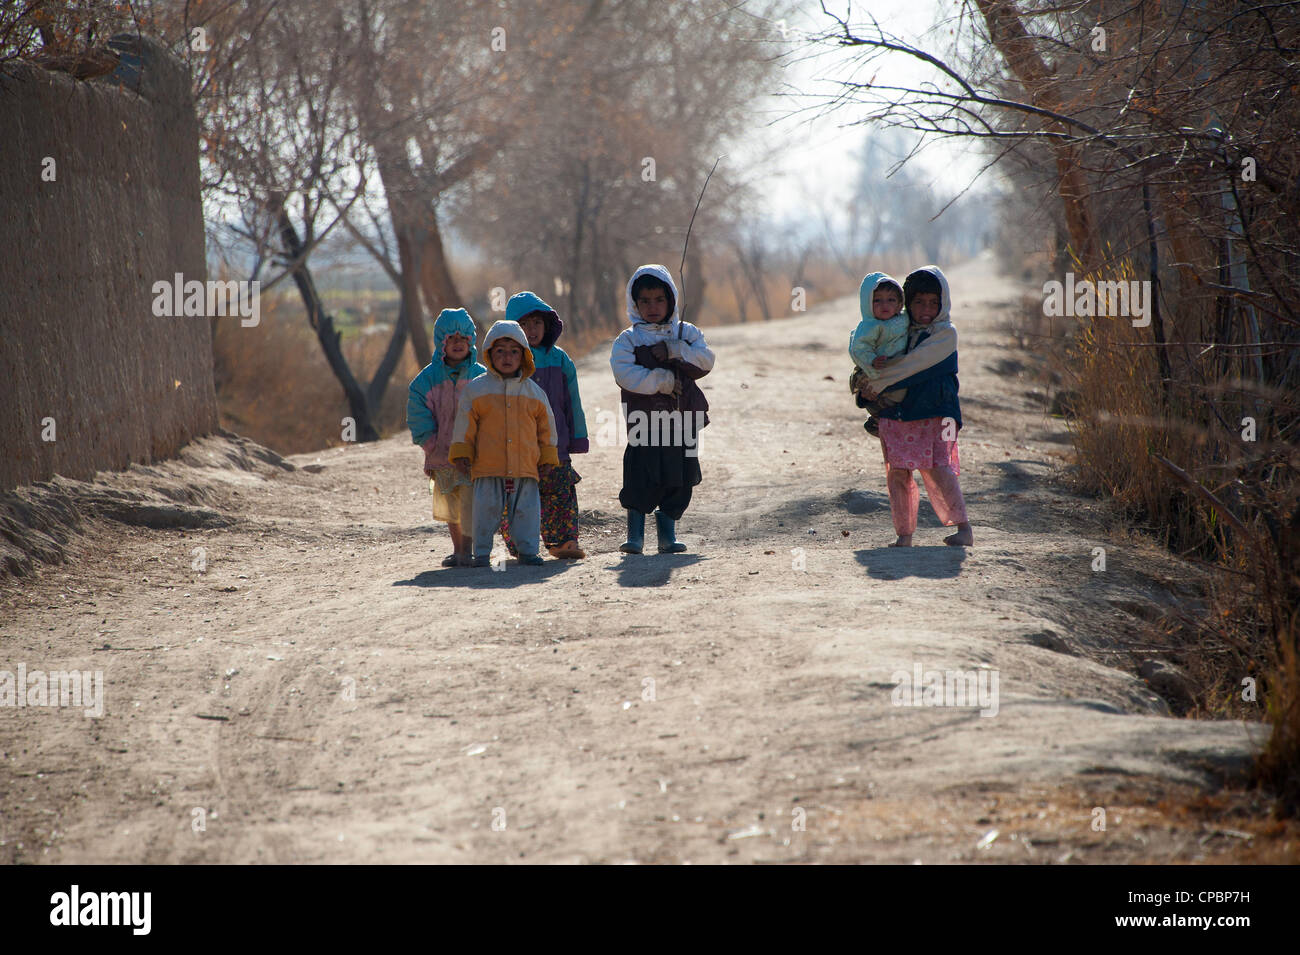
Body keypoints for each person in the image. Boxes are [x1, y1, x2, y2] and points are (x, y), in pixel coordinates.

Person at [858, 265, 974, 547]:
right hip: (898, 414)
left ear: (943, 303)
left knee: (938, 469)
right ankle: (904, 534)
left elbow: (910, 367)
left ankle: (963, 529)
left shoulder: (946, 335)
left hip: (934, 413)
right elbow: (868, 361)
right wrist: (865, 386)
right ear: (907, 304)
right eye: (918, 302)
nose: (926, 309)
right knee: (897, 471)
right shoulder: (898, 331)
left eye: (934, 302)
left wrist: (876, 384)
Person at [610, 264, 715, 554]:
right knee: (640, 474)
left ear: (671, 300)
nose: (652, 306)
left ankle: (667, 532)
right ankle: (635, 535)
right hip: (646, 421)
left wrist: (675, 350)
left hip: (684, 422)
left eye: (659, 299)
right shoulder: (628, 339)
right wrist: (662, 381)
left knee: (682, 476)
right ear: (635, 303)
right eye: (644, 301)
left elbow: (706, 361)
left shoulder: (686, 333)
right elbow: (625, 375)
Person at [449, 321, 559, 567]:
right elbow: (464, 424)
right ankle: (482, 553)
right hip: (488, 466)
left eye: (514, 351)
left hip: (526, 467)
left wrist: (548, 456)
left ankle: (528, 551)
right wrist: (462, 452)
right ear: (488, 353)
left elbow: (547, 428)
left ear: (524, 356)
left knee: (527, 512)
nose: (507, 356)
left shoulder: (534, 393)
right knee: (485, 513)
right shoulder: (476, 390)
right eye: (500, 351)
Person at [498, 291, 589, 560]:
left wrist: (578, 437)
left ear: (547, 324)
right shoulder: (507, 361)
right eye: (523, 325)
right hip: (518, 448)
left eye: (537, 323)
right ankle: (520, 543)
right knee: (515, 496)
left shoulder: (560, 359)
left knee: (560, 494)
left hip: (556, 445)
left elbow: (572, 401)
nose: (532, 330)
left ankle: (564, 541)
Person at [406, 308, 486, 568]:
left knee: (471, 504)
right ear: (441, 342)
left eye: (463, 339)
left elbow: (492, 411)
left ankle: (471, 549)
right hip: (442, 457)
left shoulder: (482, 377)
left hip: (475, 457)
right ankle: (459, 550)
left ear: (471, 341)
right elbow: (417, 415)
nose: (458, 344)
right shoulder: (426, 381)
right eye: (452, 339)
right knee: (451, 507)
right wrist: (431, 444)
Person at [848, 272, 909, 436]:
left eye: (891, 300)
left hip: (899, 366)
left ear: (899, 303)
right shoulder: (869, 326)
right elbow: (858, 348)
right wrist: (872, 361)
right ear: (867, 304)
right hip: (878, 368)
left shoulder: (905, 319)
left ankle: (886, 420)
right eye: (877, 300)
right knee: (878, 394)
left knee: (902, 394)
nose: (885, 305)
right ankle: (876, 419)